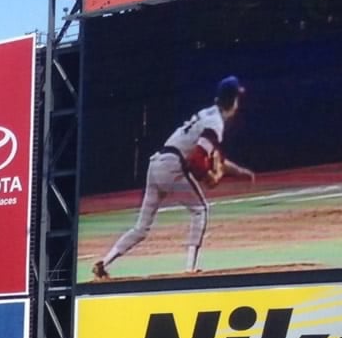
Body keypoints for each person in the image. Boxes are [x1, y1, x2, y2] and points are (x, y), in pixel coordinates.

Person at [93, 77, 251, 279]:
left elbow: (212, 157)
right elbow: (196, 160)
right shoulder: (216, 123)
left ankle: (104, 263)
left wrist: (238, 172)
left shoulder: (206, 113)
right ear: (233, 102)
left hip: (156, 162)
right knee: (200, 209)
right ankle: (190, 269)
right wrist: (207, 177)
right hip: (172, 166)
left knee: (141, 228)